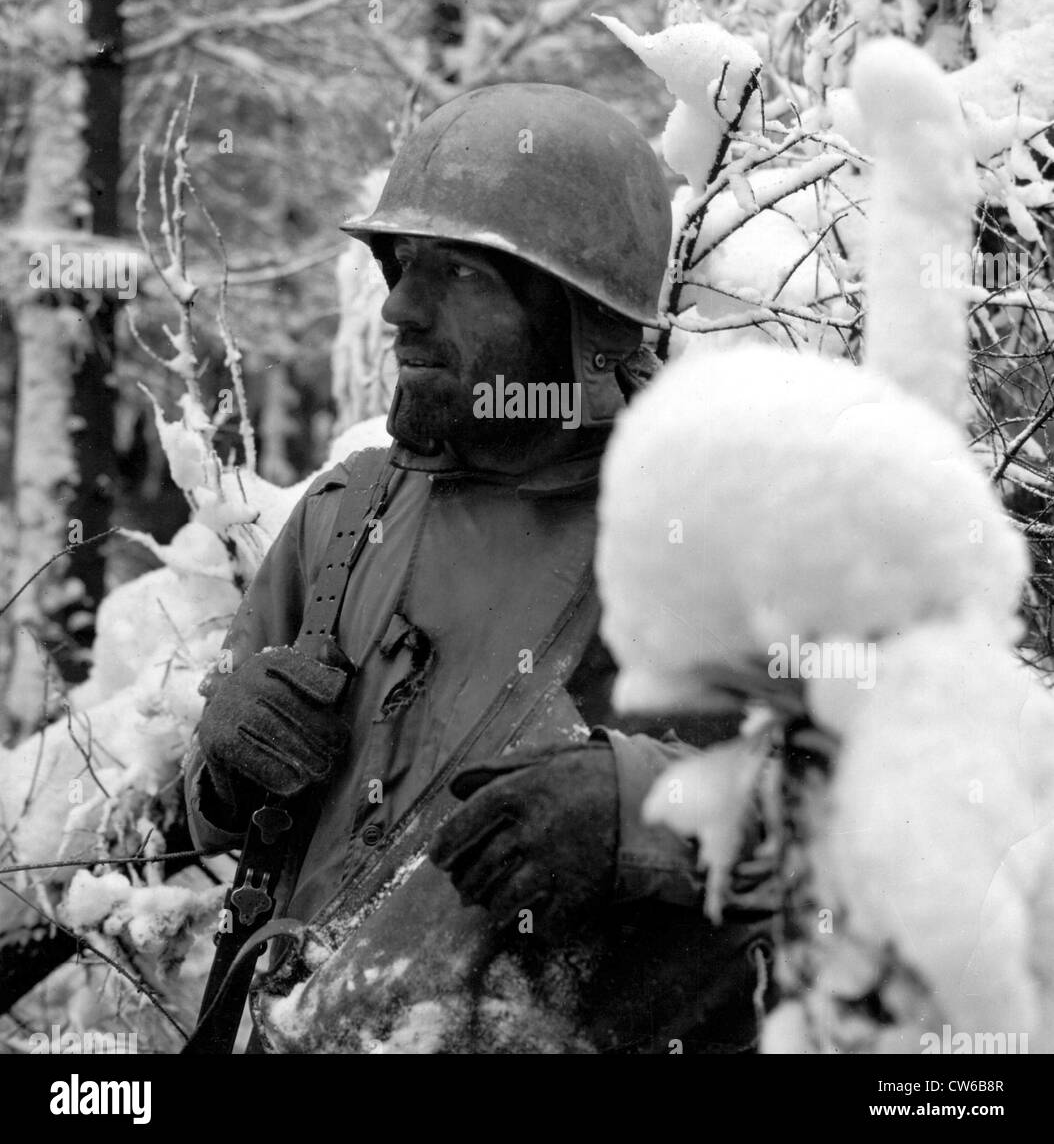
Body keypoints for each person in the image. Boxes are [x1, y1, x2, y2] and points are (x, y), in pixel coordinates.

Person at [185, 82, 773, 1054]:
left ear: (582, 319)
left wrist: (634, 812)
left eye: (456, 273)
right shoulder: (341, 519)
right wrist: (224, 767)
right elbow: (211, 826)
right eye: (399, 263)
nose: (398, 307)